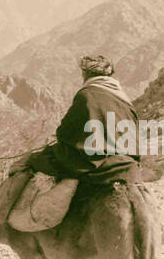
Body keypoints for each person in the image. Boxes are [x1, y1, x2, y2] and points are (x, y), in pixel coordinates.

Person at [24, 54, 141, 184]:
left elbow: (65, 132)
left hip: (94, 162)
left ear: (85, 74)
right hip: (128, 158)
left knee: (34, 160)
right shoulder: (125, 100)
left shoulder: (86, 95)